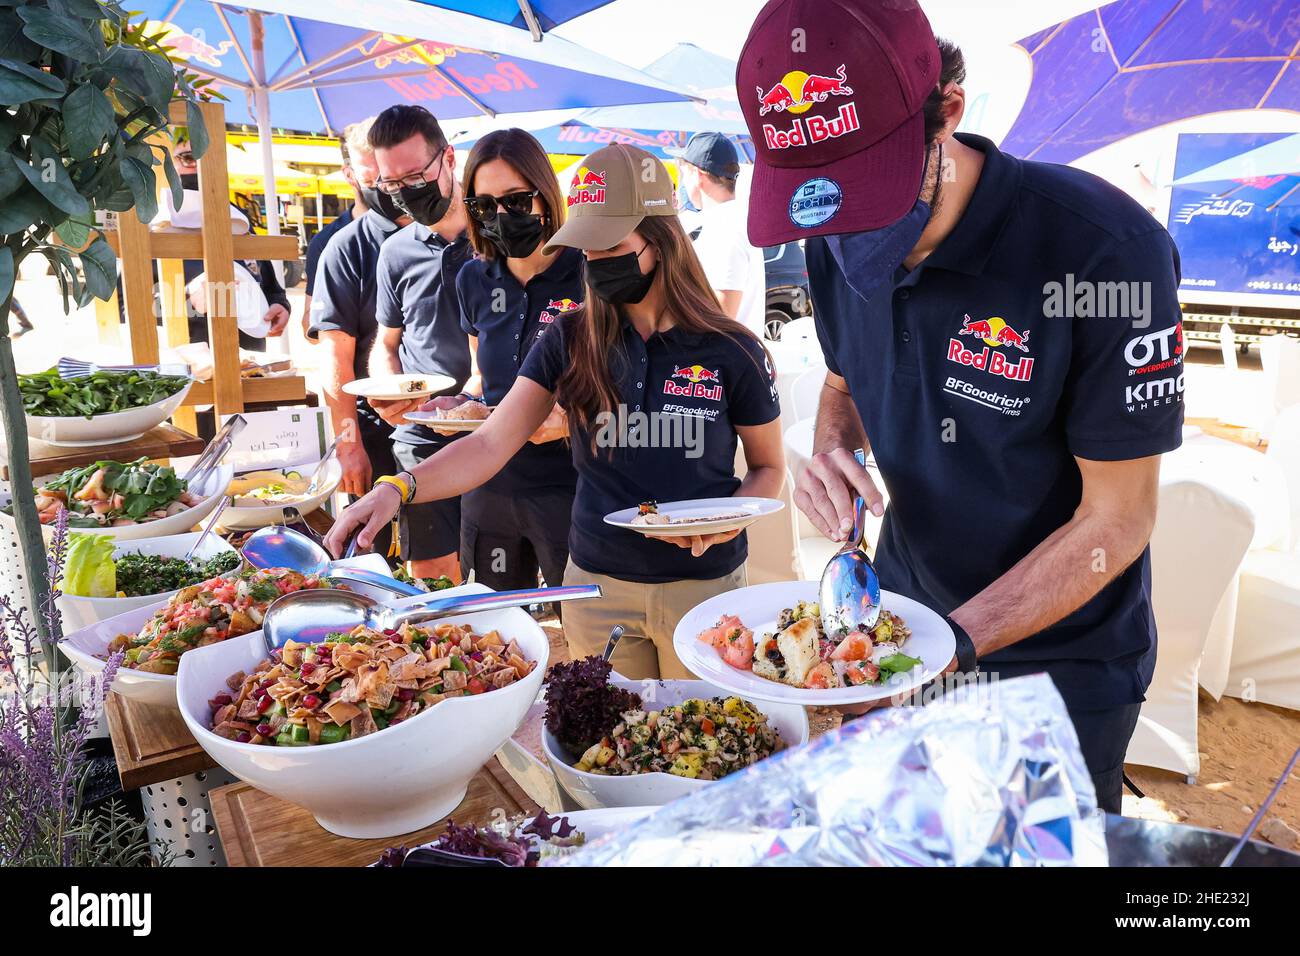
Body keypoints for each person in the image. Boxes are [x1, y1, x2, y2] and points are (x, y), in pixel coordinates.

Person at [737, 0, 1184, 812]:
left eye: (871, 194)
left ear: (946, 111)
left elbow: (1117, 521)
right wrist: (837, 449)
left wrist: (955, 643)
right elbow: (844, 379)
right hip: (904, 619)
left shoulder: (1103, 249)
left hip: (1065, 665)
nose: (848, 235)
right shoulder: (828, 235)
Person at [326, 144, 785, 680]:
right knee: (614, 748)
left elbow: (769, 468)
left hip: (704, 587)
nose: (594, 262)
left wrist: (728, 524)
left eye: (610, 245)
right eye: (585, 250)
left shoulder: (732, 348)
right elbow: (490, 442)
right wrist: (397, 488)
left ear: (659, 239)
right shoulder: (568, 337)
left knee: (706, 747)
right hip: (597, 587)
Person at [434, 128, 580, 590]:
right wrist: (451, 406)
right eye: (484, 205)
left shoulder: (591, 273)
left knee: (581, 638)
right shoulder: (472, 278)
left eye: (516, 201)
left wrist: (570, 421)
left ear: (545, 198)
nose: (500, 215)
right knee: (494, 634)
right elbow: (485, 377)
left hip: (570, 487)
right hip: (489, 484)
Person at [365, 105, 473, 583]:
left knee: (507, 583)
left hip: (500, 432)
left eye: (415, 176)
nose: (405, 192)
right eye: (391, 184)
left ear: (448, 159)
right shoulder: (396, 251)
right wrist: (388, 388)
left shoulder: (503, 240)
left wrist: (469, 403)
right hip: (420, 438)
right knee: (429, 575)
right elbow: (387, 342)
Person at [308, 117, 412, 563]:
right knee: (373, 554)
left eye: (396, 178)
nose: (389, 189)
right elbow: (335, 355)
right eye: (376, 179)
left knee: (441, 554)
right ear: (353, 175)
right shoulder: (343, 248)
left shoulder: (449, 236)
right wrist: (348, 445)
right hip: (375, 430)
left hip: (446, 427)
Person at [169, 144, 290, 352]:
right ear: (169, 165)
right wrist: (186, 299)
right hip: (187, 369)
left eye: (208, 155)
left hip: (249, 364)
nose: (201, 164)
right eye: (189, 157)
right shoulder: (158, 222)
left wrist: (279, 305)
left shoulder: (238, 219)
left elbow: (270, 286)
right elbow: (124, 307)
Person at [668, 132, 766, 338]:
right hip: (732, 357)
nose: (684, 182)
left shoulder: (725, 225)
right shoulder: (731, 219)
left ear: (697, 174)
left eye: (684, 173)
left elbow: (723, 313)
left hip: (725, 361)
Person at [300, 128, 369, 339]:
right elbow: (308, 329)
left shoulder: (414, 228)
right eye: (371, 175)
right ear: (350, 175)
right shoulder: (327, 242)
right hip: (358, 368)